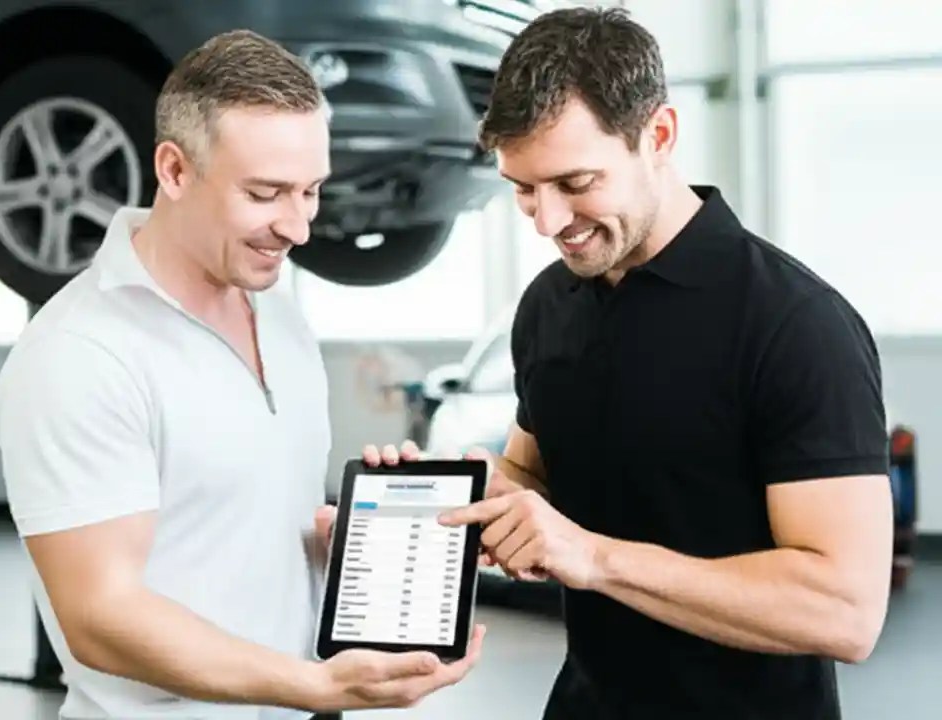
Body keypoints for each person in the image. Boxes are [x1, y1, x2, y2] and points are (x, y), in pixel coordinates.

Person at [366, 7, 892, 719]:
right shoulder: (549, 304)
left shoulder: (795, 324)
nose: (549, 221)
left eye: (576, 181)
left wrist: (595, 558)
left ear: (659, 136)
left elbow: (846, 613)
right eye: (523, 188)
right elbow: (534, 475)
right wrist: (474, 490)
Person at [0, 29, 483, 720]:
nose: (298, 228)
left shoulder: (279, 316)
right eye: (265, 193)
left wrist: (360, 549)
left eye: (310, 191)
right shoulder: (79, 354)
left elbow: (240, 530)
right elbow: (100, 616)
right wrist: (311, 685)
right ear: (174, 171)